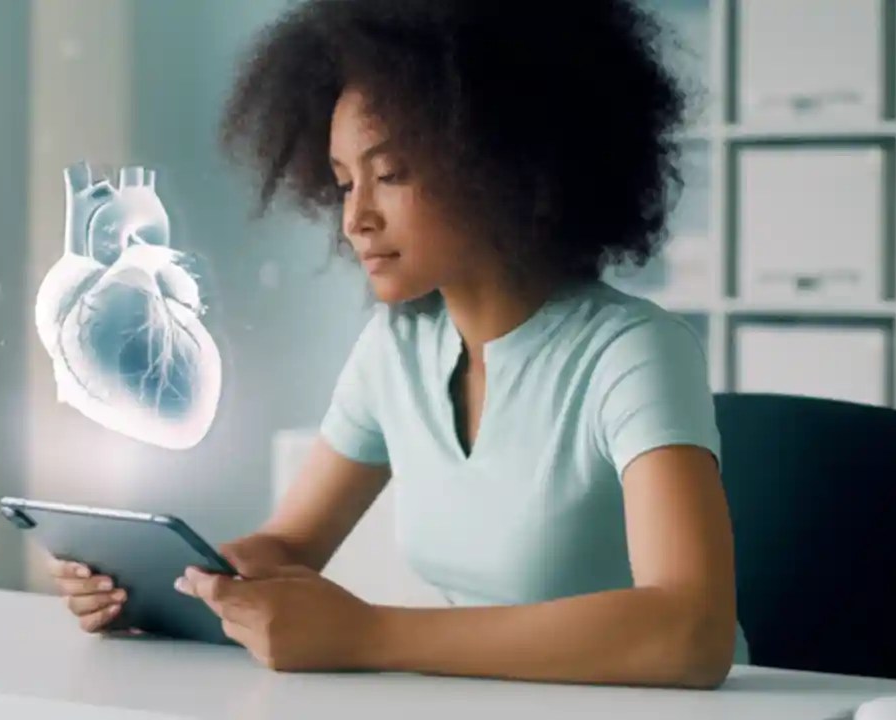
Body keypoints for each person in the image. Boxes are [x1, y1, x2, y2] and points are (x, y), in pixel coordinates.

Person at [50, 0, 746, 688]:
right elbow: (290, 546)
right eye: (345, 182)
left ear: (503, 161)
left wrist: (369, 634)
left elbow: (690, 631)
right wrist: (168, 585)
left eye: (390, 175)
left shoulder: (634, 353)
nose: (356, 217)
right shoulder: (399, 347)